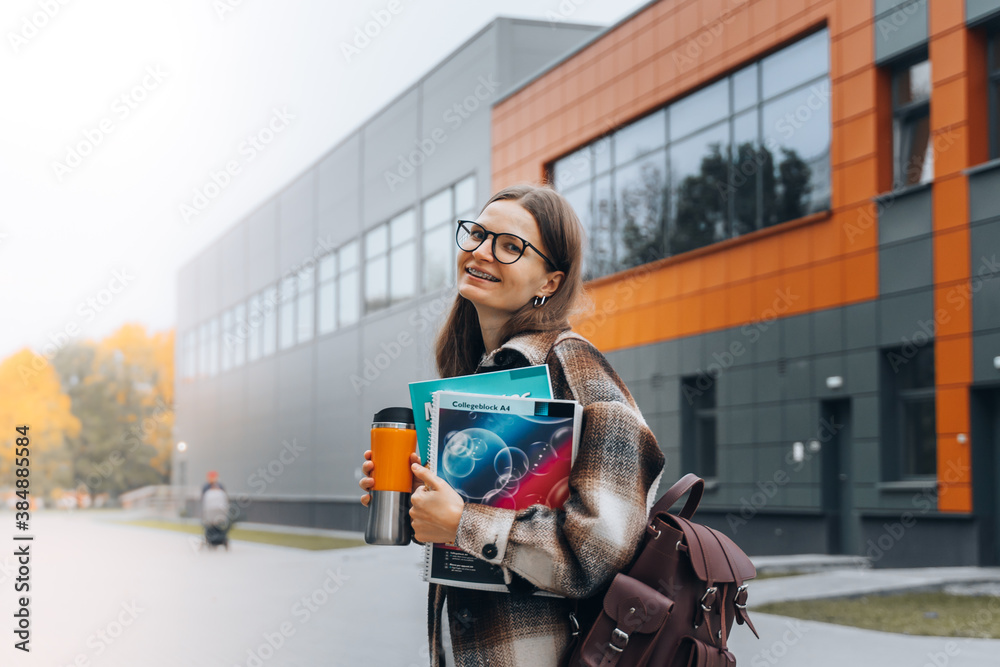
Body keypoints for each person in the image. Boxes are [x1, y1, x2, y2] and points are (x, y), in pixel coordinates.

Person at [359, 184, 665, 666]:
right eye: (477, 235)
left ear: (549, 282)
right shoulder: (475, 377)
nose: (482, 252)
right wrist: (427, 507)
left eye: (510, 245)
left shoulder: (573, 363)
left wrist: (463, 521)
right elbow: (489, 533)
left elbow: (604, 547)